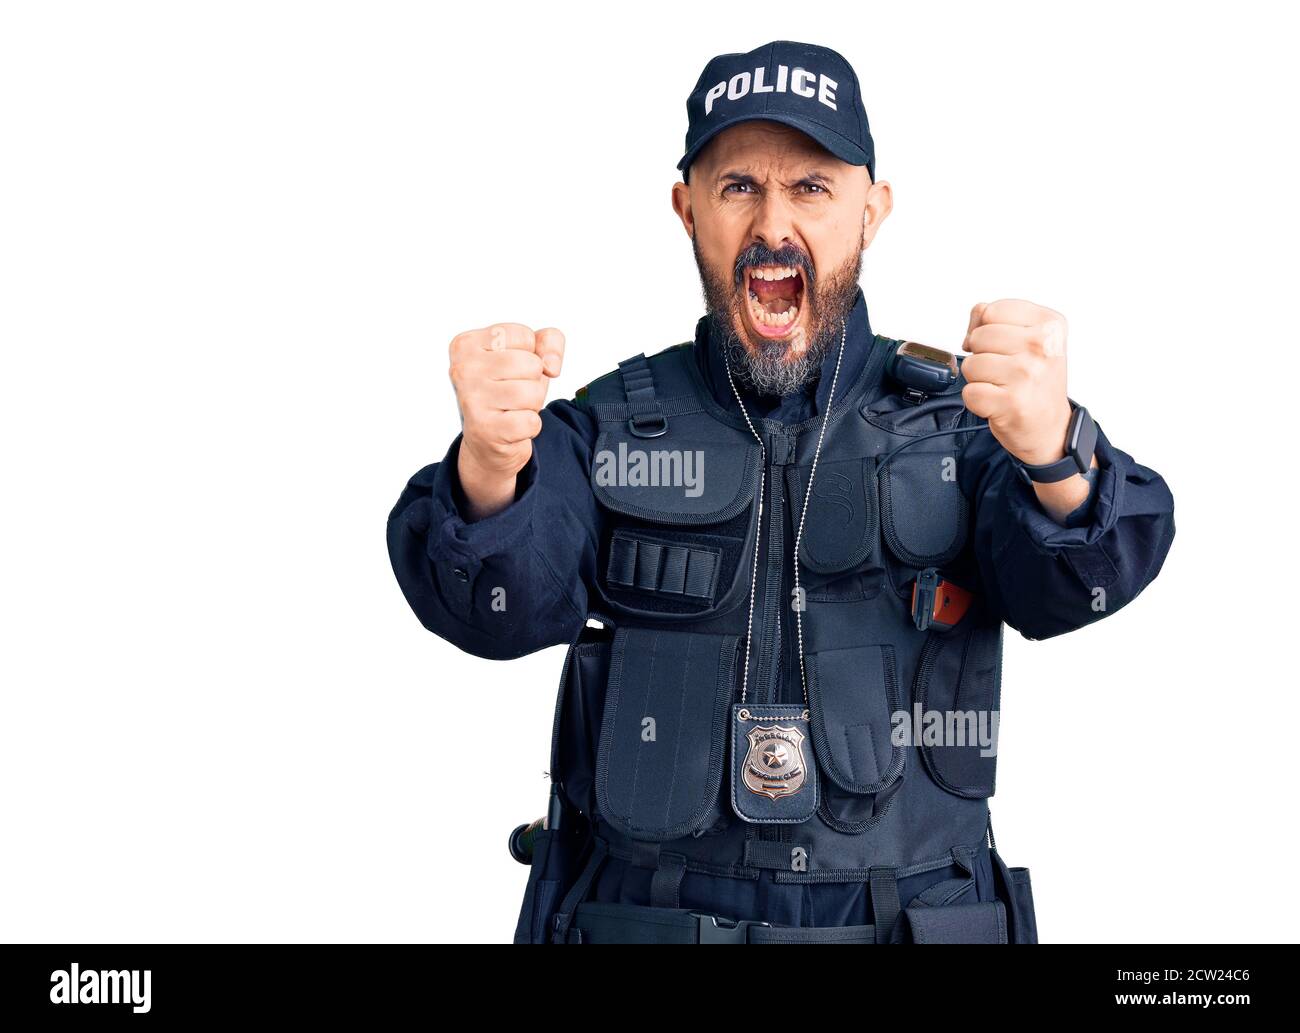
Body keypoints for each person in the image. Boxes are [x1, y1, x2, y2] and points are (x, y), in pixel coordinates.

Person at [386, 40, 1176, 944]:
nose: (772, 225)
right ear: (687, 210)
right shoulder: (604, 429)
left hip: (908, 921)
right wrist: (489, 464)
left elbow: (1084, 579)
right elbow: (494, 613)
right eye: (738, 188)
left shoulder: (969, 426)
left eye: (811, 187)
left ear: (871, 212)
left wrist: (1055, 451)